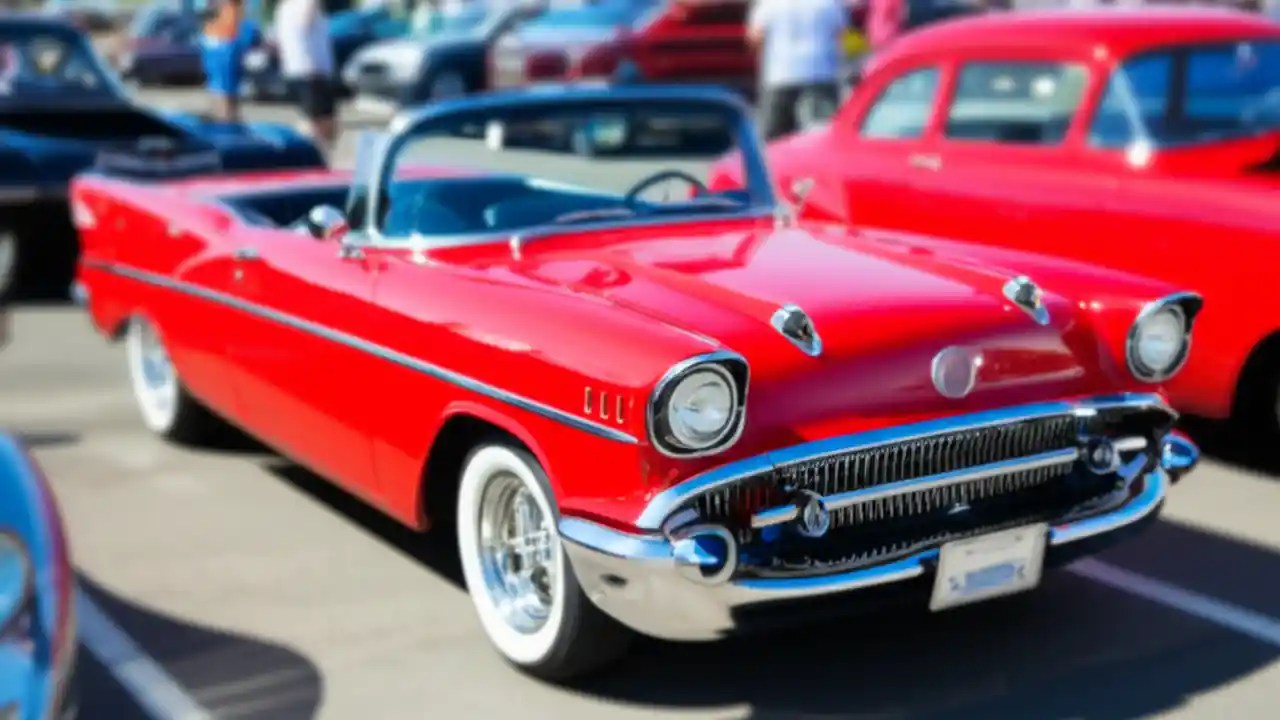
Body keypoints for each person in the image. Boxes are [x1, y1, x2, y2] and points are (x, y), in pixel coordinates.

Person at [748, 0, 848, 140]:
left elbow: (756, 37)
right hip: (821, 73)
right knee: (823, 134)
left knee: (775, 138)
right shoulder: (829, 3)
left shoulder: (769, 3)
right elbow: (840, 33)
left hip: (780, 75)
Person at [274, 0, 338, 153]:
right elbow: (304, 22)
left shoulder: (284, 7)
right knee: (316, 123)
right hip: (309, 72)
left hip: (304, 71)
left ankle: (312, 154)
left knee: (325, 123)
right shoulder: (304, 5)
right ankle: (306, 155)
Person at [200, 0, 258, 122]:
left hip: (222, 42)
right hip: (222, 43)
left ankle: (227, 118)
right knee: (224, 89)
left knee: (224, 89)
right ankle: (226, 119)